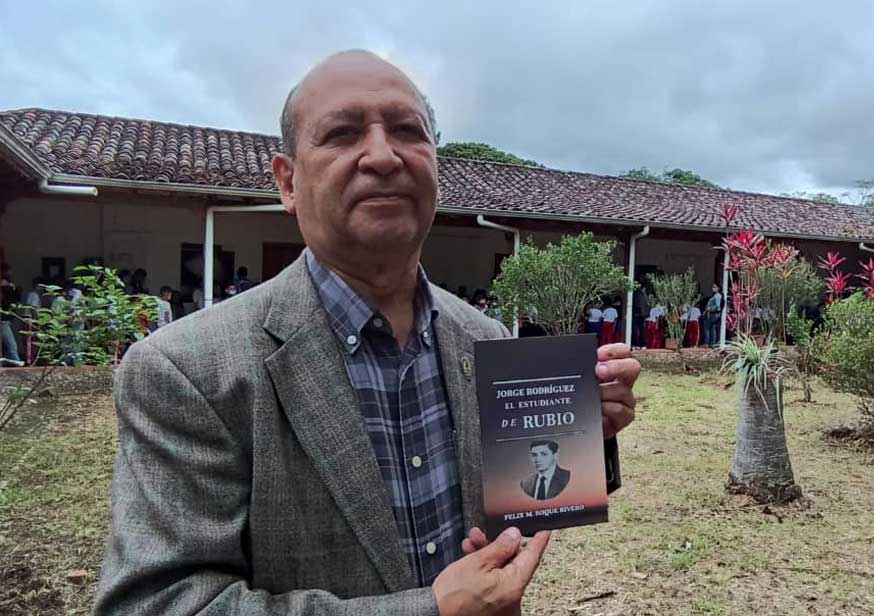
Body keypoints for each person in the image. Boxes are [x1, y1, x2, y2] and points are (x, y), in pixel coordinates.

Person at [95, 50, 641, 616]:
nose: (382, 155)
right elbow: (159, 604)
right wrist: (430, 609)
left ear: (435, 166)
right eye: (342, 133)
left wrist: (587, 422)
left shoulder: (486, 338)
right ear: (288, 182)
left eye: (408, 131)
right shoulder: (187, 369)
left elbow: (529, 485)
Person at [0, 263, 24, 367]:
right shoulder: (4, 285)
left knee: (9, 344)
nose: (11, 273)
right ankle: (17, 364)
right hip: (3, 319)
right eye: (8, 271)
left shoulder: (9, 284)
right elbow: (8, 300)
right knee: (11, 345)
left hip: (8, 318)